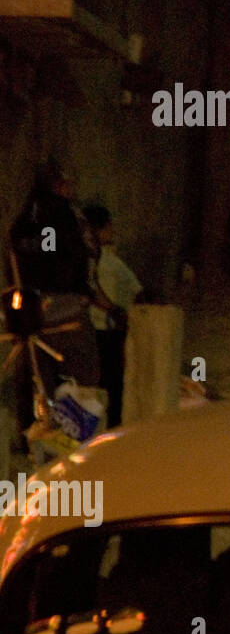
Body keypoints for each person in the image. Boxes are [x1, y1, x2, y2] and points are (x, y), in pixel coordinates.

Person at [7, 159, 101, 433]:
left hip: (32, 317)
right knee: (85, 379)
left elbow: (14, 259)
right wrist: (84, 292)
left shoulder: (24, 219)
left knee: (41, 382)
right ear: (61, 185)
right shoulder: (70, 215)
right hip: (68, 311)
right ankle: (79, 437)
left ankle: (42, 438)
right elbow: (87, 251)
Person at [82, 206, 142, 428]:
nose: (113, 230)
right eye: (109, 226)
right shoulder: (110, 262)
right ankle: (113, 429)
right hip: (109, 331)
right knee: (113, 383)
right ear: (101, 230)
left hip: (89, 328)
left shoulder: (87, 258)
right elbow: (138, 291)